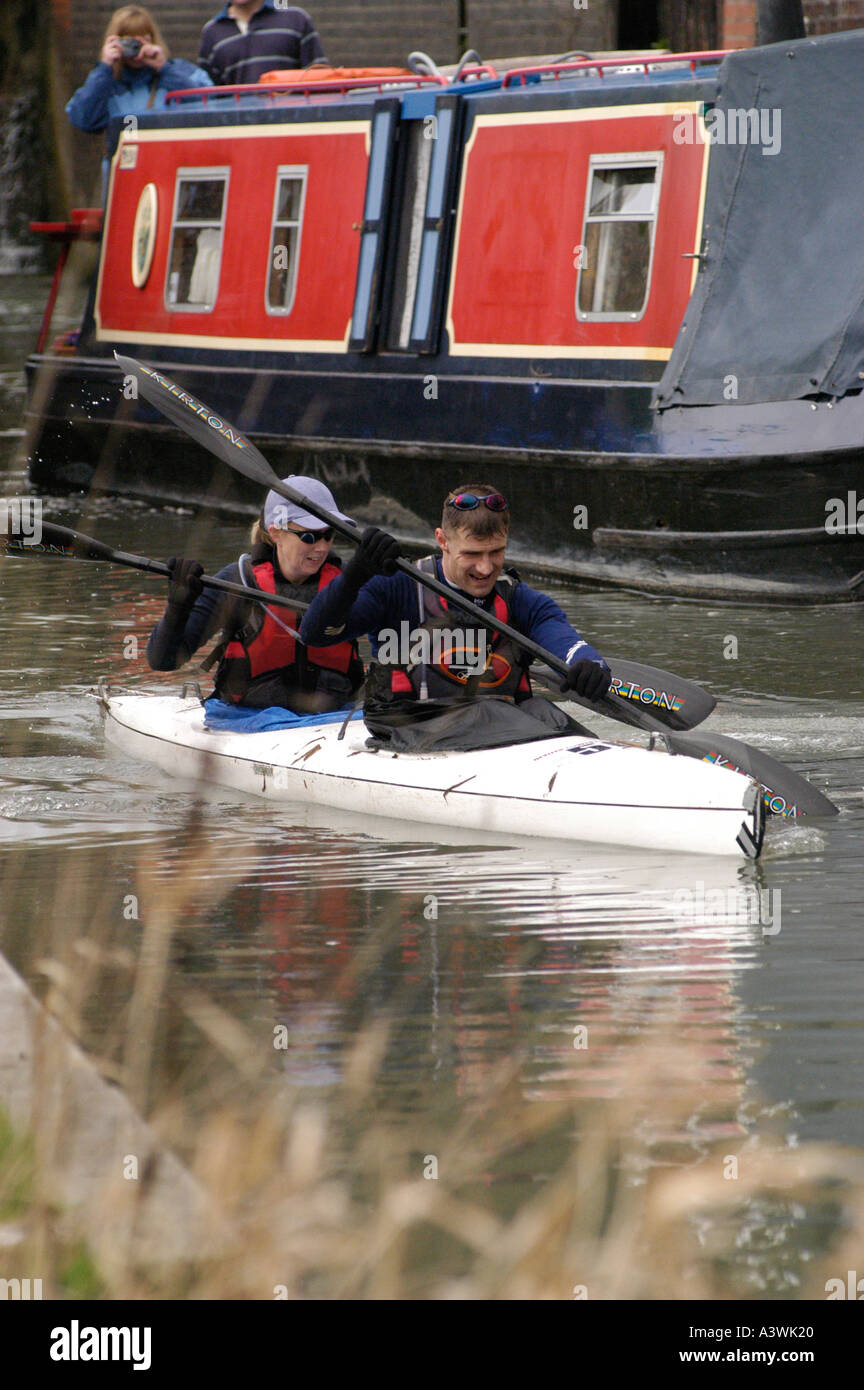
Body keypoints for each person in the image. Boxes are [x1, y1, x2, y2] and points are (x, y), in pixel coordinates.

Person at [298, 484, 611, 746]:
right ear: (442, 541)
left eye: (496, 552)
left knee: (543, 710)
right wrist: (354, 575)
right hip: (408, 725)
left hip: (502, 727)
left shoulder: (518, 598)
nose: (485, 568)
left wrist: (590, 665)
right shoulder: (396, 587)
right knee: (497, 712)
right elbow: (315, 634)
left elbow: (564, 639)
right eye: (472, 554)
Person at [147, 477, 364, 714]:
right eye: (309, 537)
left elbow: (390, 639)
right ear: (276, 533)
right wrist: (178, 606)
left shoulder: (349, 583)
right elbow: (163, 661)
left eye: (328, 535)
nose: (321, 547)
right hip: (246, 721)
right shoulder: (238, 581)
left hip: (336, 719)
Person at [66, 7, 212, 138]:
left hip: (172, 156)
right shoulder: (106, 82)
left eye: (141, 41)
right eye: (129, 42)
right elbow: (83, 120)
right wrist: (104, 68)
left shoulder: (180, 71)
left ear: (152, 39)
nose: (135, 49)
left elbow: (210, 109)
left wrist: (164, 69)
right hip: (127, 159)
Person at [198, 1, 326, 86]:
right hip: (238, 118)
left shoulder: (295, 17)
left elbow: (320, 77)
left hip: (293, 117)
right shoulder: (212, 31)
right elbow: (210, 95)